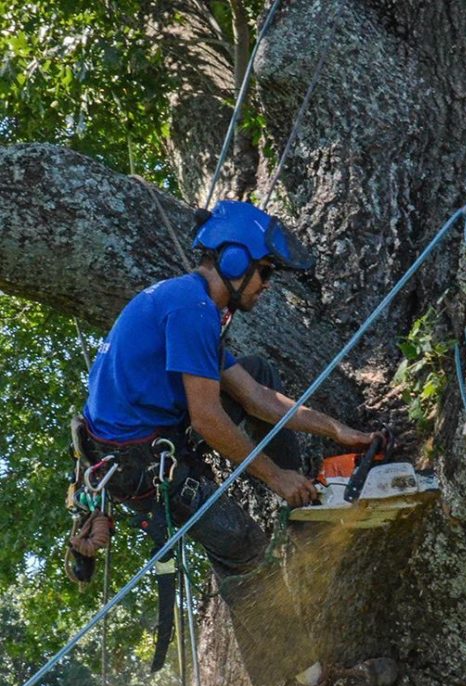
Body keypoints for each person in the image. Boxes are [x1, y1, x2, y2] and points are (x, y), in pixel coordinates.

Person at [80, 199, 373, 583]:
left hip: (148, 438)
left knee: (257, 370)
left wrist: (336, 430)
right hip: (141, 465)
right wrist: (275, 476)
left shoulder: (190, 301)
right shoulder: (192, 309)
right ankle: (274, 641)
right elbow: (206, 418)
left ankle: (305, 509)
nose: (267, 285)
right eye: (264, 272)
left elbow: (256, 396)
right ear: (234, 260)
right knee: (247, 554)